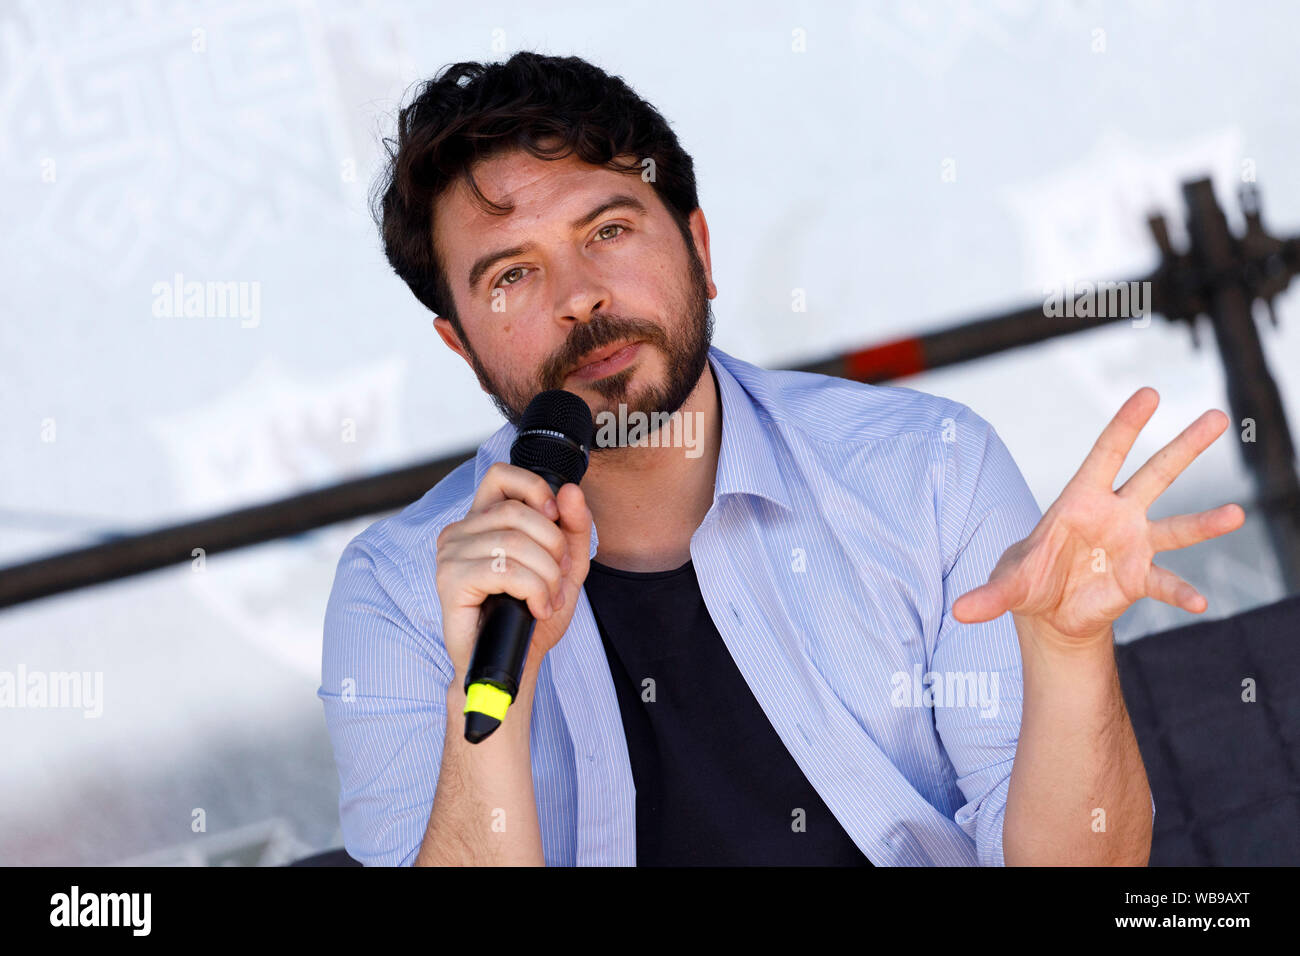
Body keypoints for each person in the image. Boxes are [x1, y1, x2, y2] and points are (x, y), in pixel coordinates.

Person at [319, 52, 1242, 866]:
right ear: (460, 343)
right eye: (511, 275)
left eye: (608, 231)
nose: (579, 298)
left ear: (699, 247)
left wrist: (1068, 653)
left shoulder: (927, 470)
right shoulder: (399, 594)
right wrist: (492, 693)